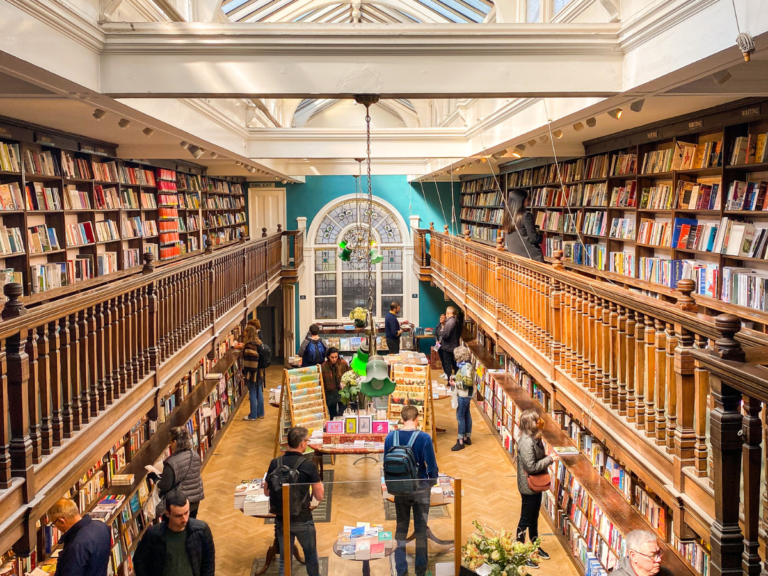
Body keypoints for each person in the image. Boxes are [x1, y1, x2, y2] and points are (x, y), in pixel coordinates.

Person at [384, 405, 438, 576]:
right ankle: (420, 570)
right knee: (421, 530)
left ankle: (401, 569)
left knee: (401, 527)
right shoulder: (424, 438)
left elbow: (386, 464)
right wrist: (432, 482)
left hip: (399, 489)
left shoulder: (390, 437)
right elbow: (432, 467)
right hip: (420, 490)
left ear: (401, 419)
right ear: (417, 419)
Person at [265, 427, 324, 576]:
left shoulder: (275, 463)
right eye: (307, 441)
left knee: (285, 560)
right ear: (302, 444)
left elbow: (266, 491)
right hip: (303, 518)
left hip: (282, 518)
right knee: (311, 556)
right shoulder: (308, 465)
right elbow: (319, 496)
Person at [516, 409, 558, 567]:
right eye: (536, 420)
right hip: (529, 486)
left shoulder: (534, 437)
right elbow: (531, 467)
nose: (540, 421)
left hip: (536, 484)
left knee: (534, 517)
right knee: (525, 519)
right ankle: (519, 553)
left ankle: (534, 546)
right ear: (530, 424)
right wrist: (550, 459)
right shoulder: (527, 442)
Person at [134, 495, 216, 576]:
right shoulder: (153, 534)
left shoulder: (202, 530)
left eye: (186, 512)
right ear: (167, 513)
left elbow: (209, 564)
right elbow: (139, 561)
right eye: (178, 515)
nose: (184, 519)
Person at [47, 498, 111, 576]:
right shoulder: (102, 526)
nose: (56, 527)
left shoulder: (76, 545)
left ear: (61, 521)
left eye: (54, 524)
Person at [156, 426, 205, 519]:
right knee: (190, 523)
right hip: (194, 500)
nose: (170, 444)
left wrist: (156, 480)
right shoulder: (194, 455)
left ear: (175, 442)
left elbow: (165, 486)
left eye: (170, 441)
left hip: (179, 504)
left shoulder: (171, 462)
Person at [503, 189, 544, 262]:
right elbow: (534, 238)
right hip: (531, 257)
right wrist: (541, 236)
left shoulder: (508, 216)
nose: (528, 202)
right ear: (522, 200)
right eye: (527, 199)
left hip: (515, 256)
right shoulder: (526, 215)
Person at [450, 346, 473, 451]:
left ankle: (460, 441)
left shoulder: (465, 368)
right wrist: (455, 377)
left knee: (460, 417)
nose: (455, 358)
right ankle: (467, 437)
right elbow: (464, 378)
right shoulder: (465, 366)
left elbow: (467, 383)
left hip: (464, 395)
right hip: (467, 395)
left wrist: (455, 384)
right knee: (466, 414)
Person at [242, 325, 264, 421]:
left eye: (245, 331)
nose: (243, 333)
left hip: (252, 373)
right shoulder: (259, 343)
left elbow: (250, 362)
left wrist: (244, 371)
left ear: (248, 333)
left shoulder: (249, 345)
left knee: (252, 392)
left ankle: (253, 415)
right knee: (259, 391)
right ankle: (261, 413)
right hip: (259, 372)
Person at [320, 347, 349, 418]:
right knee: (332, 414)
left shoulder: (343, 364)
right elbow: (323, 382)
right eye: (332, 357)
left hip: (342, 392)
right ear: (328, 357)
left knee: (342, 413)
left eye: (336, 357)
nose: (334, 359)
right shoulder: (324, 366)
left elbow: (348, 376)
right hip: (330, 393)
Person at [440, 306, 461, 379]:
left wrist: (441, 332)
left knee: (447, 364)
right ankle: (456, 380)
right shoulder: (457, 321)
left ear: (448, 313)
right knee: (455, 364)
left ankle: (449, 381)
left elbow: (446, 335)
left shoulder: (449, 322)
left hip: (448, 347)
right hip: (455, 346)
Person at [434, 313, 447, 379]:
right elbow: (435, 334)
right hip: (438, 345)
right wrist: (436, 340)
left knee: (445, 359)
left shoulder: (447, 326)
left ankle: (447, 373)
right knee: (441, 358)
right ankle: (444, 372)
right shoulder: (438, 326)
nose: (440, 319)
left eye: (442, 318)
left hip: (445, 345)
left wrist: (441, 341)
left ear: (445, 319)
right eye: (440, 318)